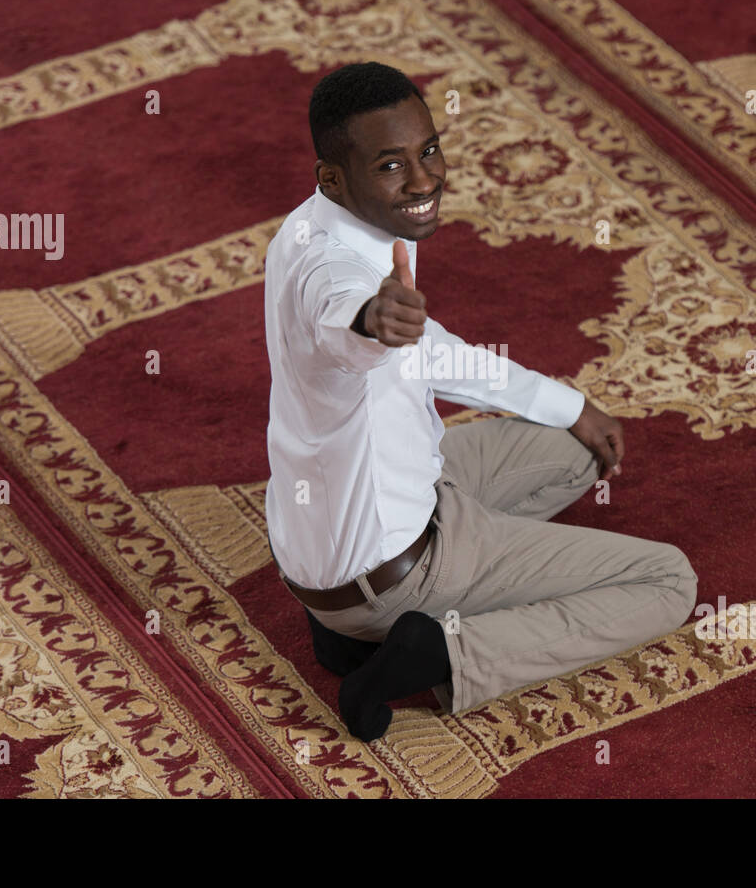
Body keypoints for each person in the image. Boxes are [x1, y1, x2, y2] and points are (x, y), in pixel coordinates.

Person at [263, 62, 696, 741]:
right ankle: (436, 651)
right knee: (669, 582)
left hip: (329, 539)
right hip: (399, 568)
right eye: (391, 165)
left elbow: (431, 351)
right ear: (334, 179)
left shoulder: (306, 227)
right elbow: (340, 319)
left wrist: (569, 404)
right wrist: (374, 320)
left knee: (572, 448)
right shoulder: (338, 274)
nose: (425, 179)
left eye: (428, 150)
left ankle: (346, 631)